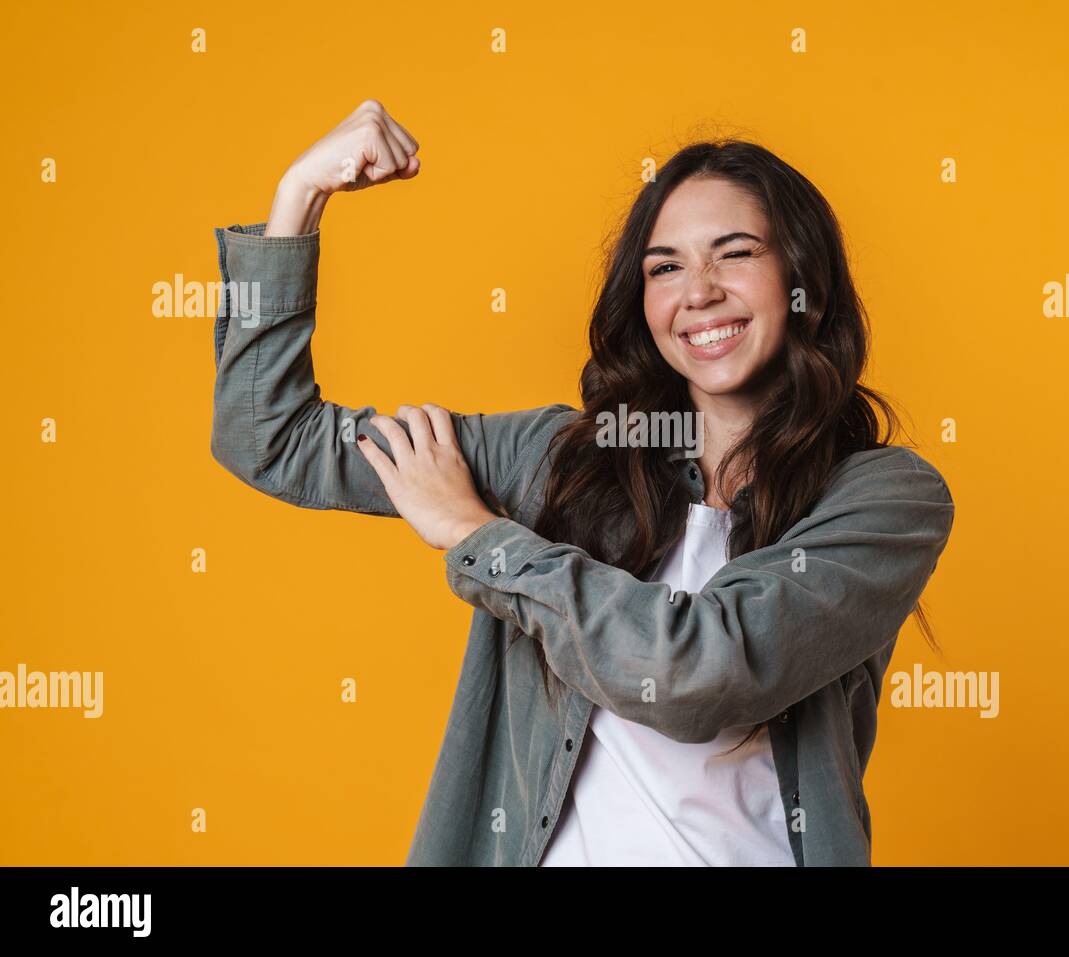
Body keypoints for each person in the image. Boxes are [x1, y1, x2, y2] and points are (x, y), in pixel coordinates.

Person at [210, 100, 956, 866]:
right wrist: (299, 195)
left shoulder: (886, 499)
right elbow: (270, 437)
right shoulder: (559, 457)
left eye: (734, 253)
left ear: (806, 281)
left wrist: (478, 537)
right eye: (665, 267)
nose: (697, 291)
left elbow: (700, 675)